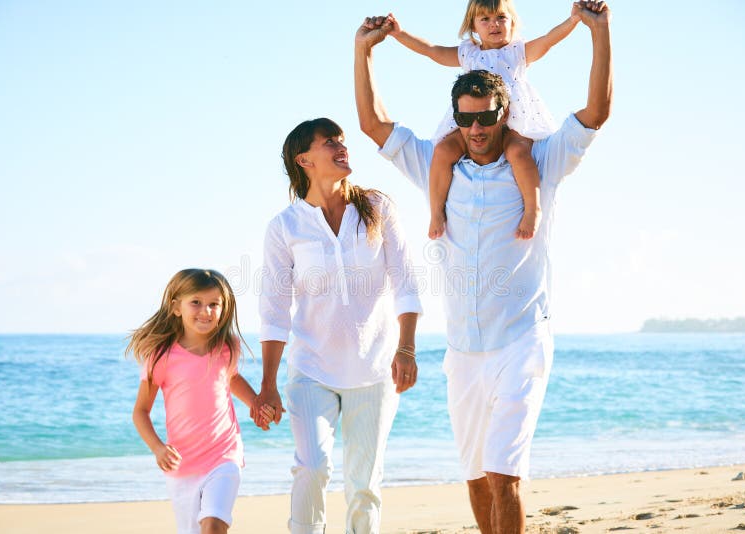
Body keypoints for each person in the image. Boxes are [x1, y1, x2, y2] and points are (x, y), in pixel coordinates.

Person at [354, 2, 612, 533]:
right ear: (455, 117)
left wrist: (598, 34)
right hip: (462, 352)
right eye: (466, 118)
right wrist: (365, 53)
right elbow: (372, 124)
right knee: (475, 479)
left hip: (521, 341)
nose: (476, 128)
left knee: (502, 476)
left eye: (487, 118)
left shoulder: (539, 163)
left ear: (505, 112)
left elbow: (595, 113)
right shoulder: (438, 167)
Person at [255, 117, 422, 534]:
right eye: (330, 142)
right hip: (312, 368)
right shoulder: (285, 227)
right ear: (304, 160)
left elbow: (405, 281)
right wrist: (268, 383)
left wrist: (406, 347)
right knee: (312, 467)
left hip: (375, 369)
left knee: (364, 485)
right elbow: (274, 310)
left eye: (342, 140)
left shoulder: (377, 208)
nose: (342, 147)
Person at [387, 0, 582, 240]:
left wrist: (573, 20)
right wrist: (399, 34)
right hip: (475, 121)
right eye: (485, 19)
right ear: (473, 25)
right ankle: (436, 211)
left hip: (512, 121)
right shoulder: (469, 53)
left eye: (501, 17)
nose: (494, 25)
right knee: (443, 151)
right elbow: (432, 50)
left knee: (518, 153)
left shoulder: (517, 52)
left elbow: (548, 40)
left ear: (512, 21)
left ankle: (533, 208)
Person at [129, 268, 275, 534]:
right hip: (182, 465)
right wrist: (158, 448)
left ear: (223, 308)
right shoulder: (161, 356)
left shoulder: (227, 346)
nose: (205, 311)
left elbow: (231, 377)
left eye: (213, 304)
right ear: (176, 307)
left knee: (214, 525)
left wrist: (255, 402)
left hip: (224, 454)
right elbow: (140, 411)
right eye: (196, 302)